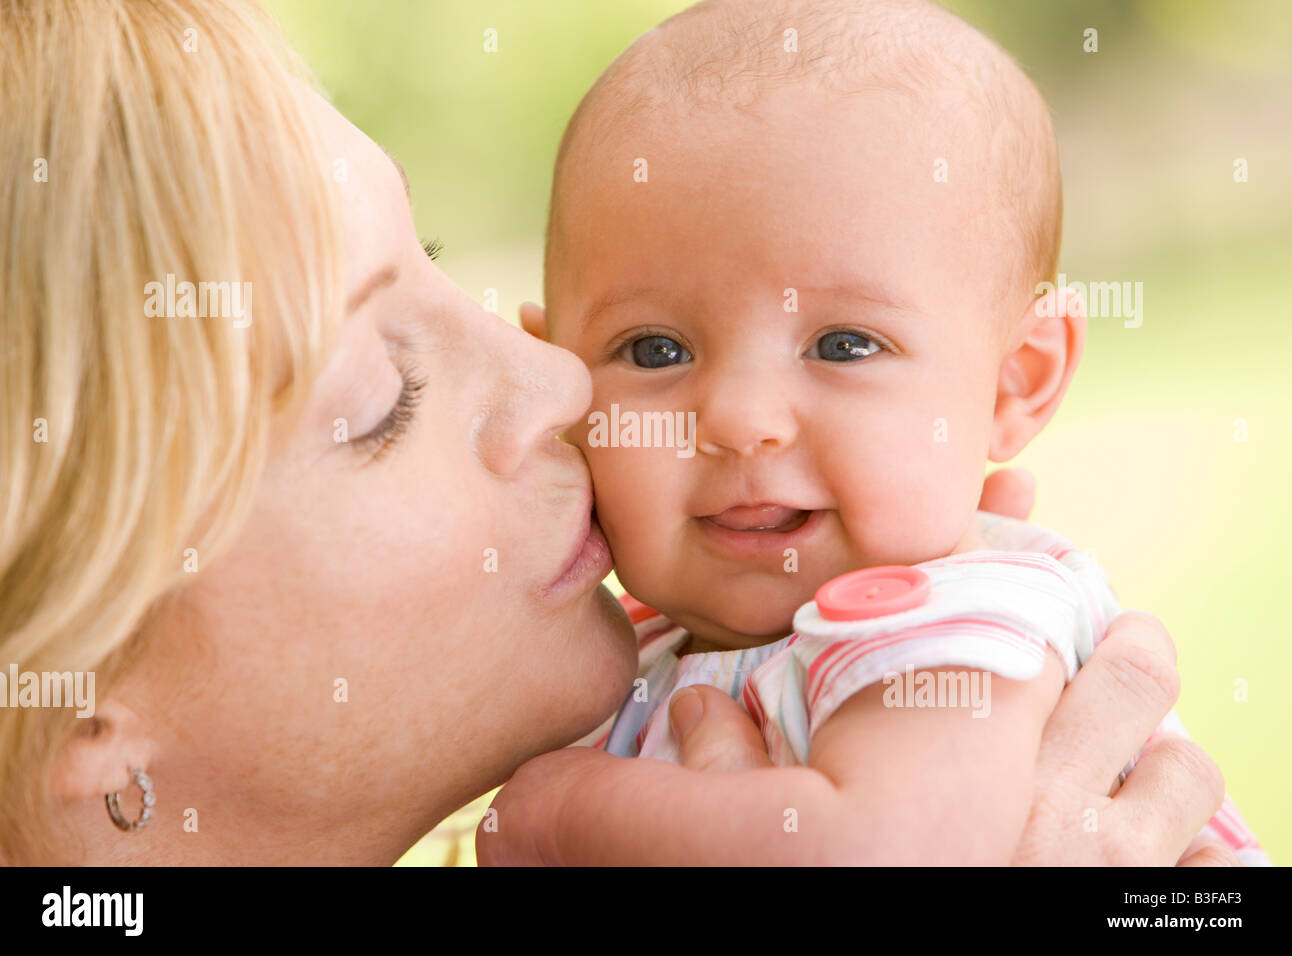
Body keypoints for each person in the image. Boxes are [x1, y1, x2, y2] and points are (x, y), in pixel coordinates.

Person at [0, 0, 1235, 867]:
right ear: (82, 700)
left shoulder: (933, 624)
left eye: (432, 272)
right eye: (382, 398)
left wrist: (561, 814)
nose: (557, 383)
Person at [479, 0, 1265, 864]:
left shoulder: (954, 624)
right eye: (655, 348)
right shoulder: (626, 647)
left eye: (844, 345)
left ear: (1017, 379)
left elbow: (868, 849)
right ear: (557, 381)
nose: (741, 421)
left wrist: (552, 815)